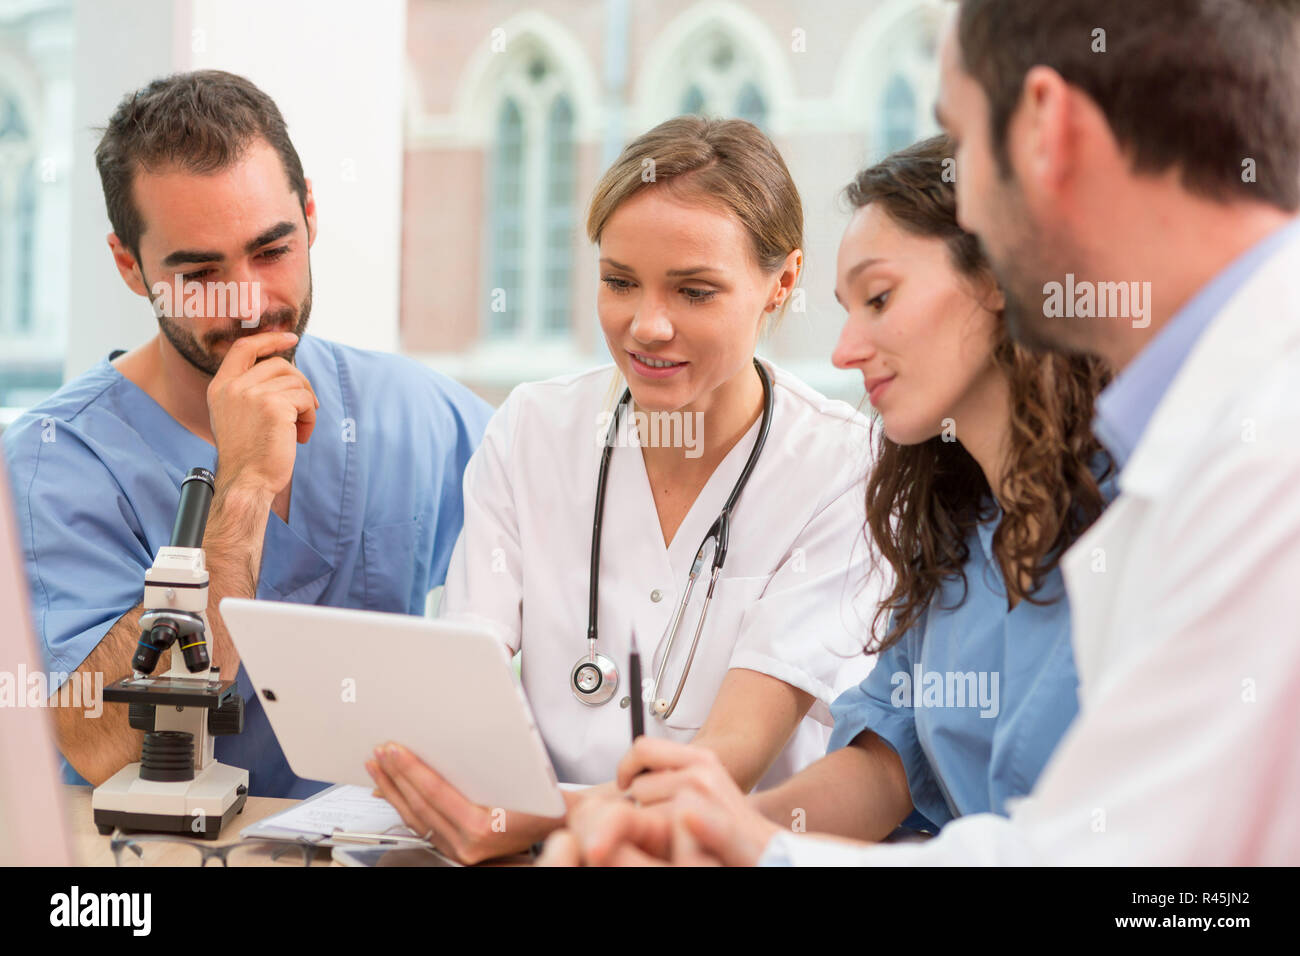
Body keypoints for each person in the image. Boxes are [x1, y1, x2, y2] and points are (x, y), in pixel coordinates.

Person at [543, 0, 1300, 865]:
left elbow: (1152, 878)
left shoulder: (1254, 455)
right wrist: (729, 836)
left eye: (963, 138)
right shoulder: (968, 517)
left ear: (1047, 129)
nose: (966, 191)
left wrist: (761, 852)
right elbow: (903, 762)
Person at [536, 134, 1116, 865]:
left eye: (879, 298)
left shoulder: (1141, 514)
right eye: (846, 310)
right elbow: (887, 766)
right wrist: (705, 834)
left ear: (1000, 271)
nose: (844, 350)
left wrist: (761, 846)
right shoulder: (957, 532)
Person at [365, 116, 877, 863]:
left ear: (783, 284)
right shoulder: (532, 431)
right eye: (619, 283)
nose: (647, 326)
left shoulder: (841, 465)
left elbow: (726, 758)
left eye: (694, 292)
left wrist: (537, 813)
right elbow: (467, 676)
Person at [1, 70, 492, 798]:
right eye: (200, 272)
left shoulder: (410, 407)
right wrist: (242, 491)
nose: (252, 302)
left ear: (311, 214)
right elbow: (105, 745)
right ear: (130, 268)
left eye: (272, 250)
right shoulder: (55, 465)